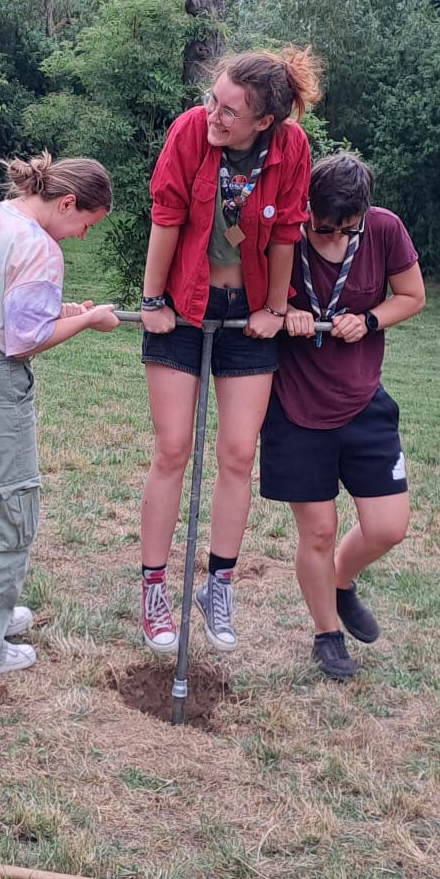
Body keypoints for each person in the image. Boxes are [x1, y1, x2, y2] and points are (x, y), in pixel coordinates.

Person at [139, 46, 320, 654]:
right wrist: (152, 301)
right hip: (182, 307)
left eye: (229, 110)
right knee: (172, 450)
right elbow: (166, 217)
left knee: (239, 454)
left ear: (264, 121)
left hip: (247, 317)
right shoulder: (191, 130)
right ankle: (154, 589)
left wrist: (273, 308)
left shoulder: (291, 151)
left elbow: (287, 231)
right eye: (213, 98)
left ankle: (219, 584)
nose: (213, 113)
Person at [0, 153, 118, 678]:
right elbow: (22, 340)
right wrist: (90, 321)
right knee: (8, 518)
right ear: (68, 202)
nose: (79, 236)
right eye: (85, 224)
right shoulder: (40, 246)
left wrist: (63, 311)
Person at [259, 150, 425, 681]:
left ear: (363, 215)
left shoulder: (384, 230)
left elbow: (412, 296)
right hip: (296, 407)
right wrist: (286, 310)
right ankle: (327, 636)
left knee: (388, 527)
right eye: (322, 225)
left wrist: (371, 320)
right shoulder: (288, 229)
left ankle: (340, 582)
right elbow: (260, 300)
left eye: (341, 228)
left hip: (362, 401)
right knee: (318, 531)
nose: (330, 236)